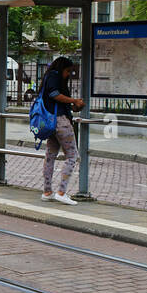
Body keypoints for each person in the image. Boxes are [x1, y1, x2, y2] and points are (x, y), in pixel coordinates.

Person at [39, 56, 85, 205]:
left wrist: (74, 106)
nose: (68, 75)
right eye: (68, 71)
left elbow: (54, 100)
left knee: (50, 155)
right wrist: (74, 101)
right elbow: (54, 95)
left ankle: (47, 192)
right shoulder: (54, 76)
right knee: (72, 156)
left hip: (51, 123)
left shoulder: (48, 77)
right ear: (61, 69)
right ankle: (61, 192)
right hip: (61, 122)